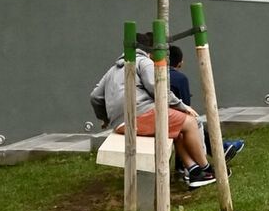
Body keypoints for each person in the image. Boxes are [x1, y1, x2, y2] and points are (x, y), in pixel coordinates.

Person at [88, 43, 221, 187]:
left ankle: (194, 170)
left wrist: (105, 119)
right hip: (139, 115)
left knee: (176, 129)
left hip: (120, 123)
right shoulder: (144, 62)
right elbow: (158, 89)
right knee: (190, 122)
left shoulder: (113, 70)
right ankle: (206, 168)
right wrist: (183, 106)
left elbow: (95, 96)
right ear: (150, 53)